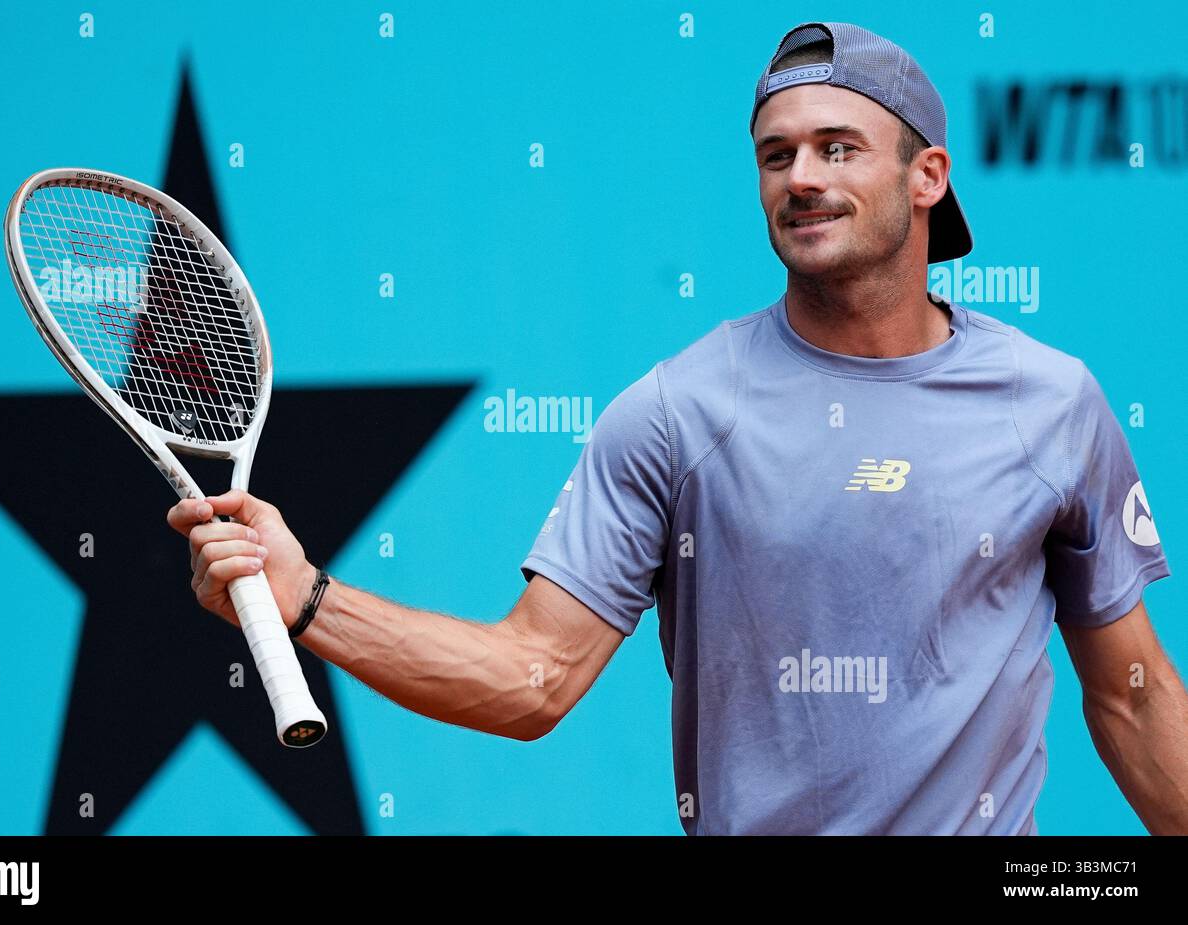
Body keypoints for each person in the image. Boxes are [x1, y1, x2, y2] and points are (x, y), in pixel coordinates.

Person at [167, 21, 1188, 834]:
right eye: (775, 155)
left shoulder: (1050, 401)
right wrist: (309, 599)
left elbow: (1133, 697)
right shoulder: (675, 413)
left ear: (926, 178)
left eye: (840, 147)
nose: (800, 179)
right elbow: (533, 679)